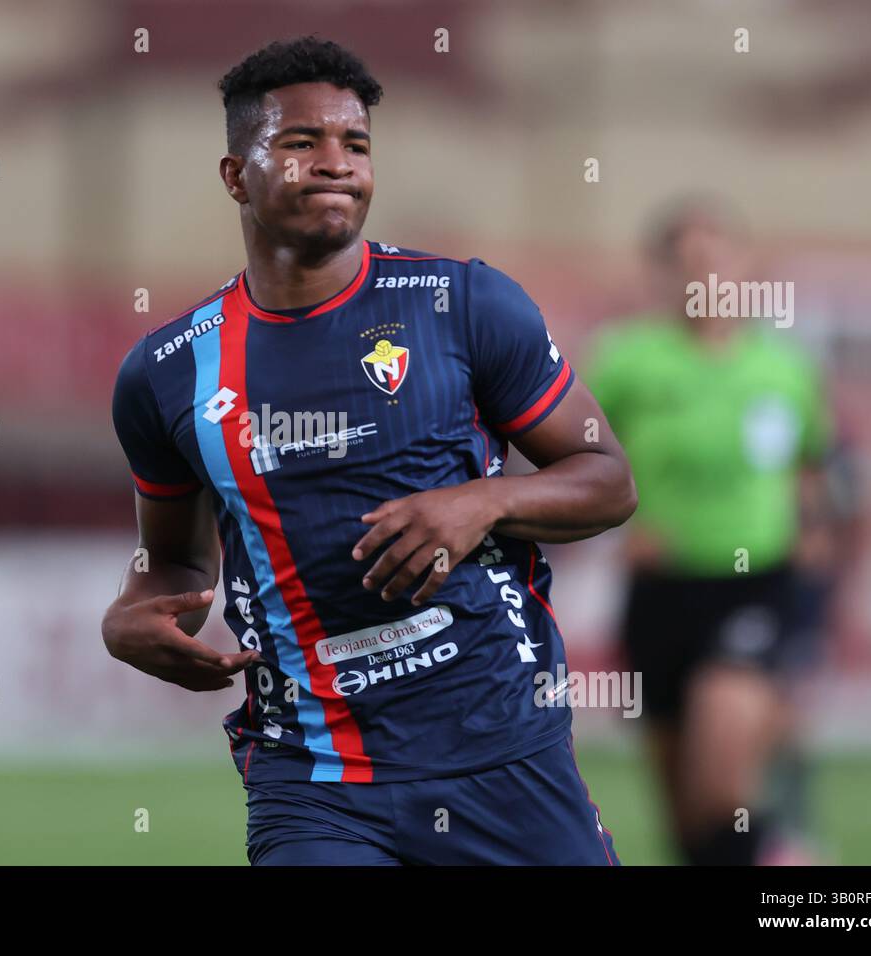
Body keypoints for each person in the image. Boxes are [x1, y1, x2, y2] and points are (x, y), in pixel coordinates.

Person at [103, 36, 636, 865]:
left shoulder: (464, 304)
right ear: (235, 176)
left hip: (498, 746)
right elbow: (172, 563)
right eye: (299, 142)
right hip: (313, 771)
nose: (335, 163)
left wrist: (483, 499)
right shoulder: (166, 373)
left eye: (355, 144)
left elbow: (608, 480)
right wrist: (128, 620)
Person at [586, 197, 835, 865]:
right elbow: (574, 455)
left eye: (717, 258)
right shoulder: (626, 359)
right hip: (660, 595)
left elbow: (815, 470)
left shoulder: (784, 367)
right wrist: (610, 527)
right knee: (687, 819)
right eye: (688, 261)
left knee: (722, 785)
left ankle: (790, 856)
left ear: (746, 265)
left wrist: (814, 558)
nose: (706, 276)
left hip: (754, 589)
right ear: (663, 272)